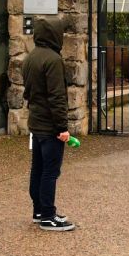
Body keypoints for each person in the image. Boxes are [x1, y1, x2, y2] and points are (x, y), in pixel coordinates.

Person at [22, 17, 76, 231]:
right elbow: (57, 97)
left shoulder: (31, 57)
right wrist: (62, 127)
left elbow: (28, 92)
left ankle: (38, 210)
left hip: (36, 123)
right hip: (50, 125)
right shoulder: (53, 60)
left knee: (38, 168)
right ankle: (48, 215)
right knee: (50, 172)